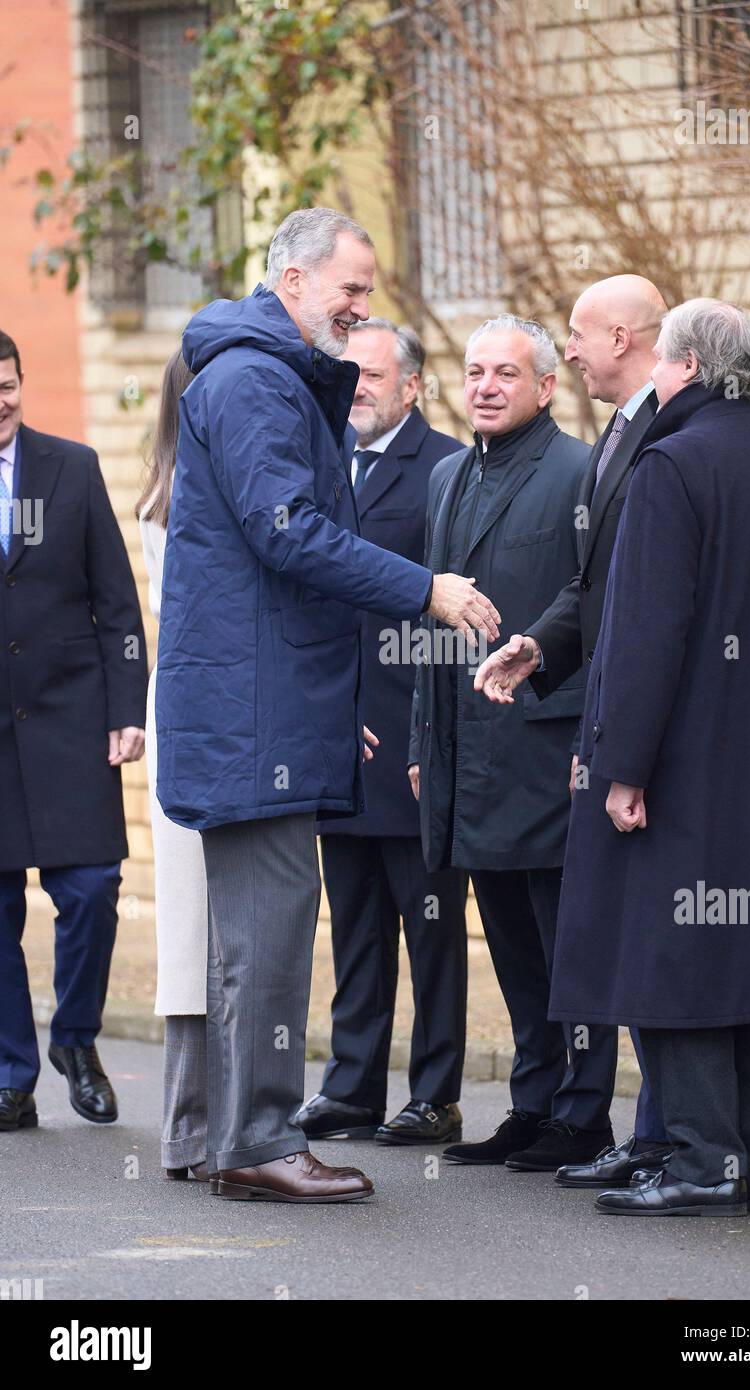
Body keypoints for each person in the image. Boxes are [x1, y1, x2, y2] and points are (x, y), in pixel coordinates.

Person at [156, 207, 499, 1204]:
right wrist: (422, 586)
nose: (362, 308)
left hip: (262, 704)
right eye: (350, 289)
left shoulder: (259, 372)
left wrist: (319, 706)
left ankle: (239, 1139)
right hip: (251, 714)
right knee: (266, 937)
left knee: (257, 937)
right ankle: (259, 1141)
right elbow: (287, 533)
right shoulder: (258, 378)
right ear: (294, 282)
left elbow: (268, 581)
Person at [535, 299, 750, 1216]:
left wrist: (623, 765)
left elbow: (644, 635)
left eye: (664, 362)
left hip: (681, 759)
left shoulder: (672, 462)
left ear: (692, 367)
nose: (656, 378)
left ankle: (704, 1162)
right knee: (744, 952)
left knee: (672, 954)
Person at [473, 277, 672, 1190]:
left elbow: (640, 605)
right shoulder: (613, 443)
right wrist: (534, 646)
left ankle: (621, 1123)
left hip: (597, 746)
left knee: (590, 942)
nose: (573, 345)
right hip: (521, 737)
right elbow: (590, 595)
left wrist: (608, 742)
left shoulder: (655, 440)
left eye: (576, 336)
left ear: (619, 337)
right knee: (528, 945)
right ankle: (559, 1107)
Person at [408, 314, 615, 1173]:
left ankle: (583, 1113)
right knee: (509, 943)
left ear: (545, 386)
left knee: (567, 939)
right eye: (477, 371)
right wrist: (425, 738)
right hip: (466, 754)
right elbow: (430, 619)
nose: (486, 386)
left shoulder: (582, 471)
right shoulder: (448, 475)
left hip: (547, 750)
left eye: (506, 373)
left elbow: (595, 608)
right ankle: (532, 1105)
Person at [298, 319, 469, 1147]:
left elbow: (461, 612)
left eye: (370, 374)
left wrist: (425, 741)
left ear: (411, 386)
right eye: (345, 373)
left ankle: (435, 1092)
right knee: (356, 929)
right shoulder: (319, 461)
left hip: (413, 744)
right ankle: (351, 1087)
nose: (355, 386)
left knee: (432, 931)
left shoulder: (445, 469)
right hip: (340, 743)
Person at [0, 329, 148, 1132]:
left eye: (7, 384)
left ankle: (77, 1043)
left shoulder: (75, 468)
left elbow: (117, 605)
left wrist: (128, 708)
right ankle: (9, 1077)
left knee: (91, 890)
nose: (0, 400)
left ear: (21, 383)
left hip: (70, 720)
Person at [137, 348, 211, 1182]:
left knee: (202, 931)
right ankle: (198, 1126)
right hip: (200, 712)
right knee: (201, 931)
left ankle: (200, 1126)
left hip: (183, 708)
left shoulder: (168, 490)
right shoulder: (186, 498)